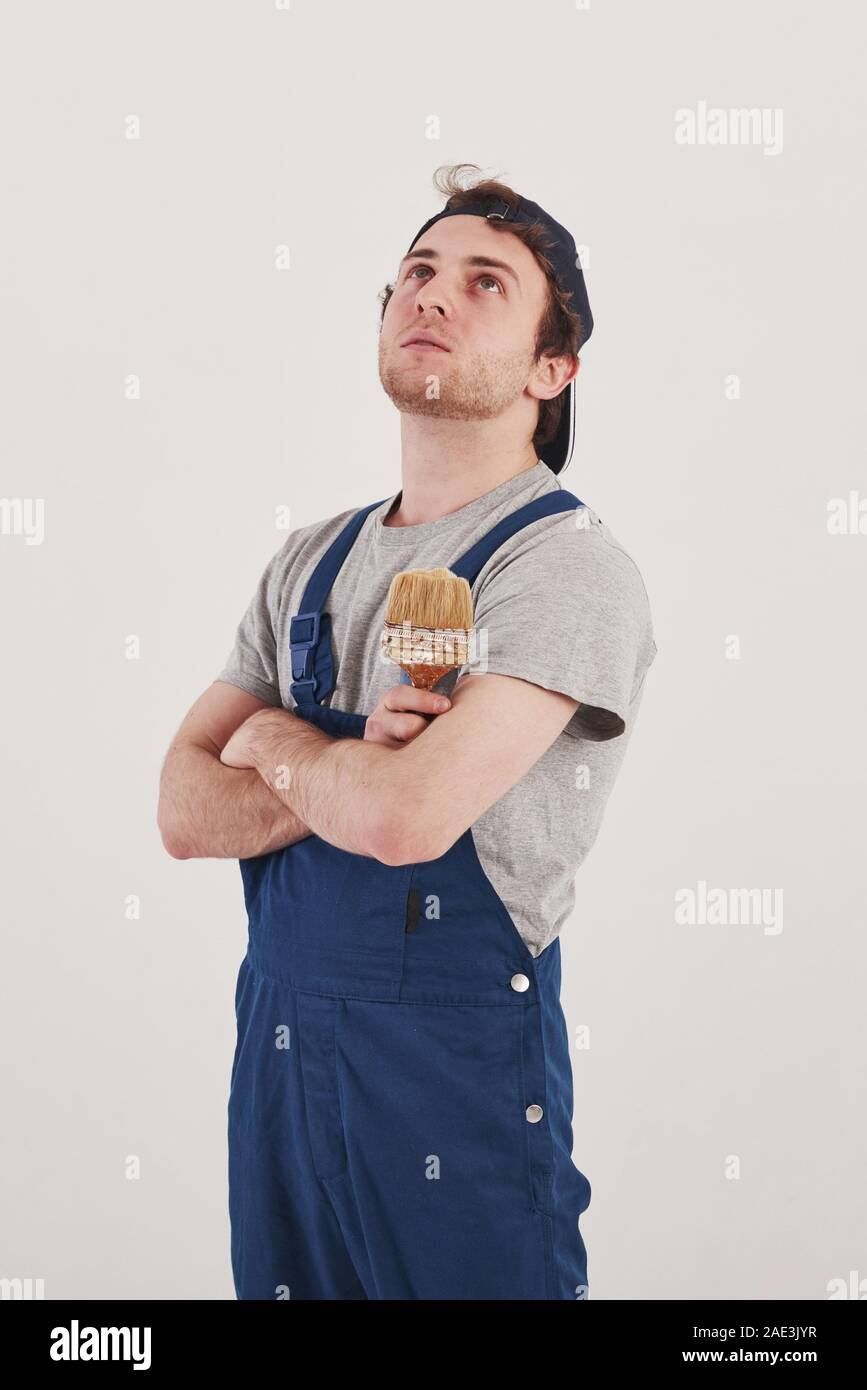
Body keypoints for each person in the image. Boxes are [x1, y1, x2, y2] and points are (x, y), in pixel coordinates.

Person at [157, 163, 658, 1300]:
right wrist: (341, 763)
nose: (432, 295)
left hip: (455, 1086)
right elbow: (182, 814)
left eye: (486, 283)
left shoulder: (563, 565)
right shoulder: (309, 560)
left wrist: (278, 745)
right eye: (418, 273)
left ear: (553, 367)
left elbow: (405, 819)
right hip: (281, 1077)